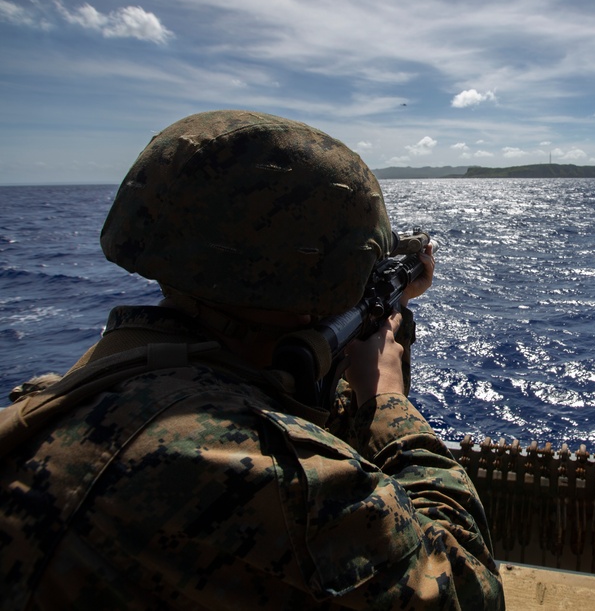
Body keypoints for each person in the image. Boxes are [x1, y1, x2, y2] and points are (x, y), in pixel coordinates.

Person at [0, 110, 505, 610]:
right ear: (314, 293)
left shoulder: (82, 388)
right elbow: (468, 590)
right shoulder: (270, 477)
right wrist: (387, 399)